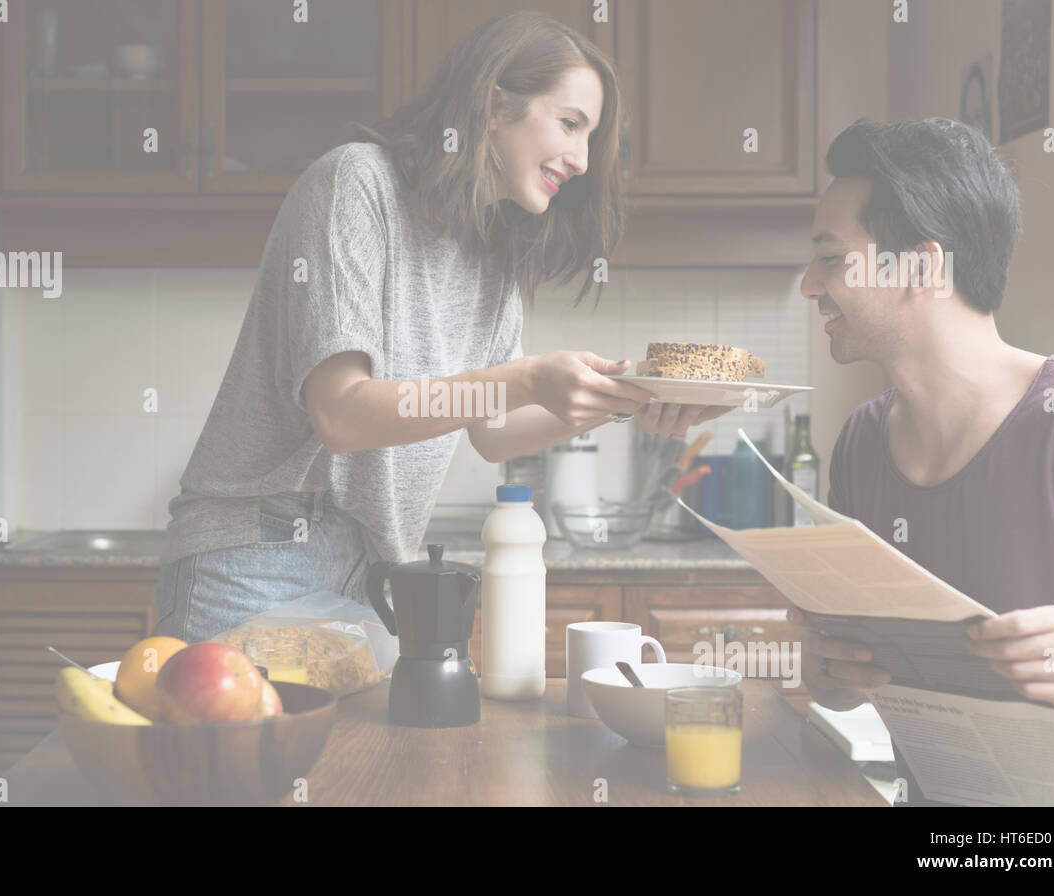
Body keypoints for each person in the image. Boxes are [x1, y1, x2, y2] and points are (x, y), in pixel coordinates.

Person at [154, 11, 727, 642]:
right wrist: (529, 375)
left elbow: (496, 429)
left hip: (374, 567)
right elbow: (342, 415)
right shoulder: (355, 183)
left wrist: (628, 399)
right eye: (570, 124)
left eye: (592, 138)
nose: (584, 161)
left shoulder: (490, 251)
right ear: (493, 105)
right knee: (244, 745)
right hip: (257, 552)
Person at [791, 118, 1054, 805]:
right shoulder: (861, 445)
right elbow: (850, 691)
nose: (810, 285)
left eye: (832, 258)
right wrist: (830, 672)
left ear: (924, 267)